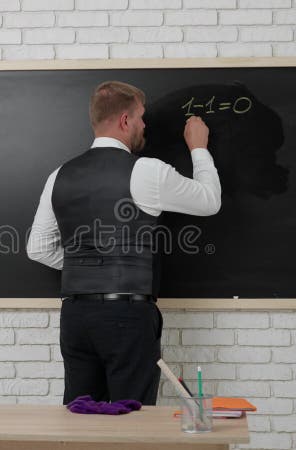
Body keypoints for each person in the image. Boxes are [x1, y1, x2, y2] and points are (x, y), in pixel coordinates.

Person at [26, 81, 221, 405]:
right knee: (133, 424)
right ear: (125, 121)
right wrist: (198, 148)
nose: (145, 125)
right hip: (127, 317)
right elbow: (210, 201)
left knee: (80, 420)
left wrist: (89, 263)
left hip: (75, 318)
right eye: (141, 118)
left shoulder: (59, 174)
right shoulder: (148, 172)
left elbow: (38, 248)